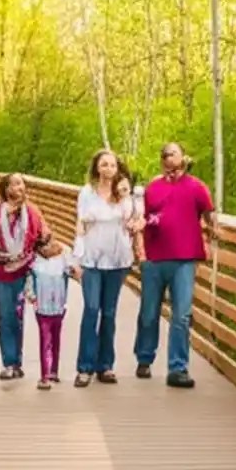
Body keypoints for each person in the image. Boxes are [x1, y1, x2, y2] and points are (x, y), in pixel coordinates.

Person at [134, 142, 215, 388]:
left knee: (181, 314)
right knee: (149, 312)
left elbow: (209, 215)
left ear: (183, 158)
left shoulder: (197, 187)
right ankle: (144, 358)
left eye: (173, 153)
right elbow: (141, 218)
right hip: (154, 258)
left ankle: (178, 368)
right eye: (165, 155)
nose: (169, 158)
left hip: (184, 259)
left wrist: (213, 232)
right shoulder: (152, 188)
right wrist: (139, 249)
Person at [72, 149, 141, 387]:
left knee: (109, 312)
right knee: (92, 309)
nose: (108, 169)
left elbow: (134, 221)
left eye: (112, 165)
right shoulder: (87, 193)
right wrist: (77, 257)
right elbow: (79, 224)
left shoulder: (124, 195)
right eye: (104, 165)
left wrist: (127, 199)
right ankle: (84, 367)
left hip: (117, 260)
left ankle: (106, 366)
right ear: (97, 168)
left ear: (117, 168)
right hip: (91, 259)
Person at [0, 173, 46, 380]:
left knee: (17, 316)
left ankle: (16, 361)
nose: (19, 187)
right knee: (6, 316)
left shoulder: (31, 212)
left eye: (21, 183)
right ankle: (9, 362)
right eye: (14, 184)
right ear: (6, 189)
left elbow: (44, 236)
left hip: (23, 270)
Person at [24, 232, 81, 390]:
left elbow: (73, 272)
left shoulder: (62, 259)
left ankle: (54, 370)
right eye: (45, 245)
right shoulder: (35, 263)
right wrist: (31, 296)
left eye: (51, 243)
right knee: (45, 340)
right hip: (42, 308)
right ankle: (45, 375)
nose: (51, 247)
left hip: (59, 307)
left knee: (56, 338)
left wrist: (75, 272)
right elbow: (29, 281)